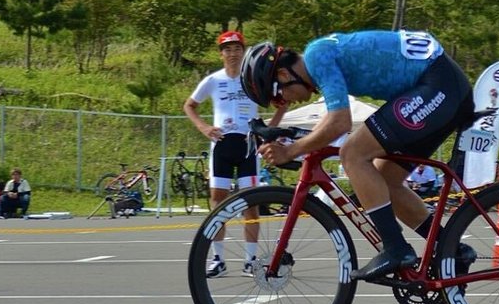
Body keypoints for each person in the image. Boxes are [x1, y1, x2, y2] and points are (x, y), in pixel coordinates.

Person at [241, 30, 477, 281]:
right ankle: (452, 249)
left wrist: (290, 150)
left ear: (284, 74)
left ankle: (395, 249)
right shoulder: (320, 57)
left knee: (352, 154)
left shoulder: (316, 57)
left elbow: (340, 123)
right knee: (384, 181)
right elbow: (330, 121)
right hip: (440, 86)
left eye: (279, 97)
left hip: (435, 85)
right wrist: (293, 136)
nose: (286, 103)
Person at [184, 31, 284, 278]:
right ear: (221, 54)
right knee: (218, 200)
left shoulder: (252, 78)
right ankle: (218, 258)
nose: (232, 53)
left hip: (248, 144)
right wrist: (204, 128)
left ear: (244, 51)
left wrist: (269, 130)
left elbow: (281, 102)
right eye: (227, 49)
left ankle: (251, 260)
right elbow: (190, 105)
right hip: (221, 145)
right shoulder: (213, 80)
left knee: (251, 201)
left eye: (237, 48)